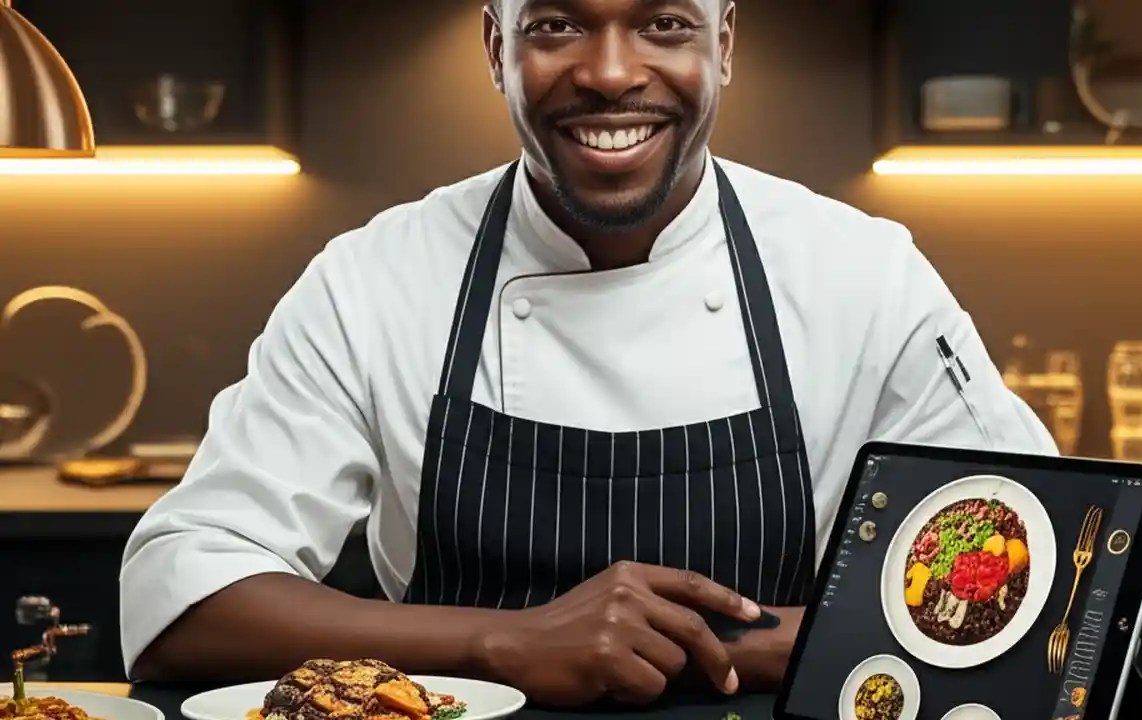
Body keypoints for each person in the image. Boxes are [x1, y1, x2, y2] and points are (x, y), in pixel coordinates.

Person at [119, 0, 1056, 706]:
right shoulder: (372, 280)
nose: (611, 73)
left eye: (664, 24)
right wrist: (503, 643)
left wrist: (765, 643)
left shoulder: (862, 275)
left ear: (724, 46)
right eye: (560, 24)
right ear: (497, 47)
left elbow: (1040, 592)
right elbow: (179, 603)